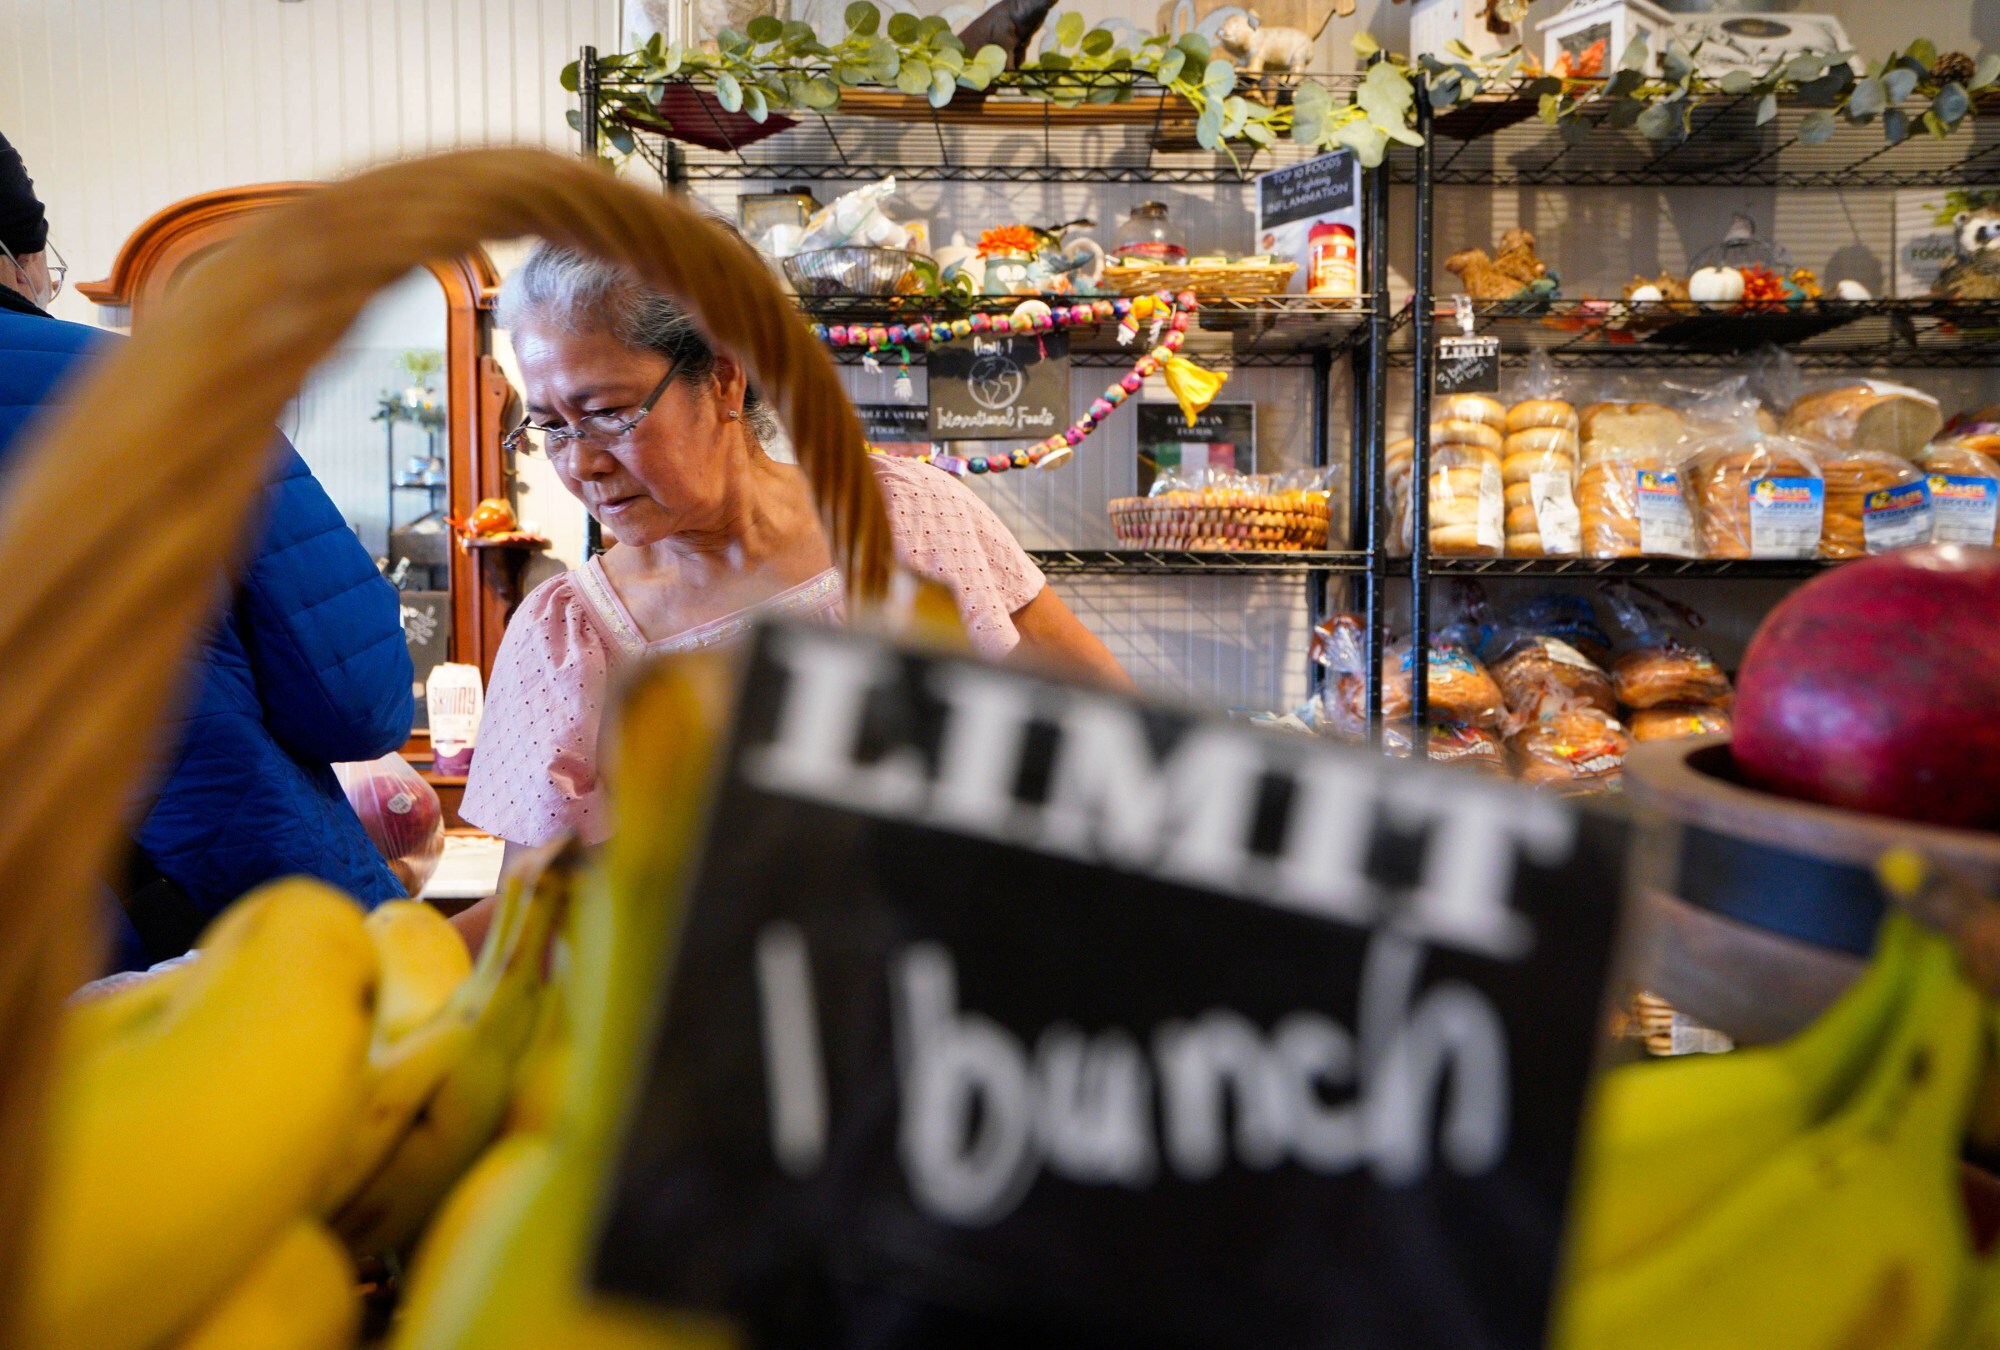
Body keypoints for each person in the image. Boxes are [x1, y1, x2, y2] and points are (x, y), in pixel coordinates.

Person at [455, 241, 1130, 932]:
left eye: (605, 413)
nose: (581, 463)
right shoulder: (565, 637)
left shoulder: (906, 518)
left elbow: (1115, 731)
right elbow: (529, 921)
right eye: (551, 426)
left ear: (724, 378)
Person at [0, 131, 416, 970]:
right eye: (43, 261)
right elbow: (357, 701)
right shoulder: (151, 388)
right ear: (12, 256)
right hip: (204, 917)